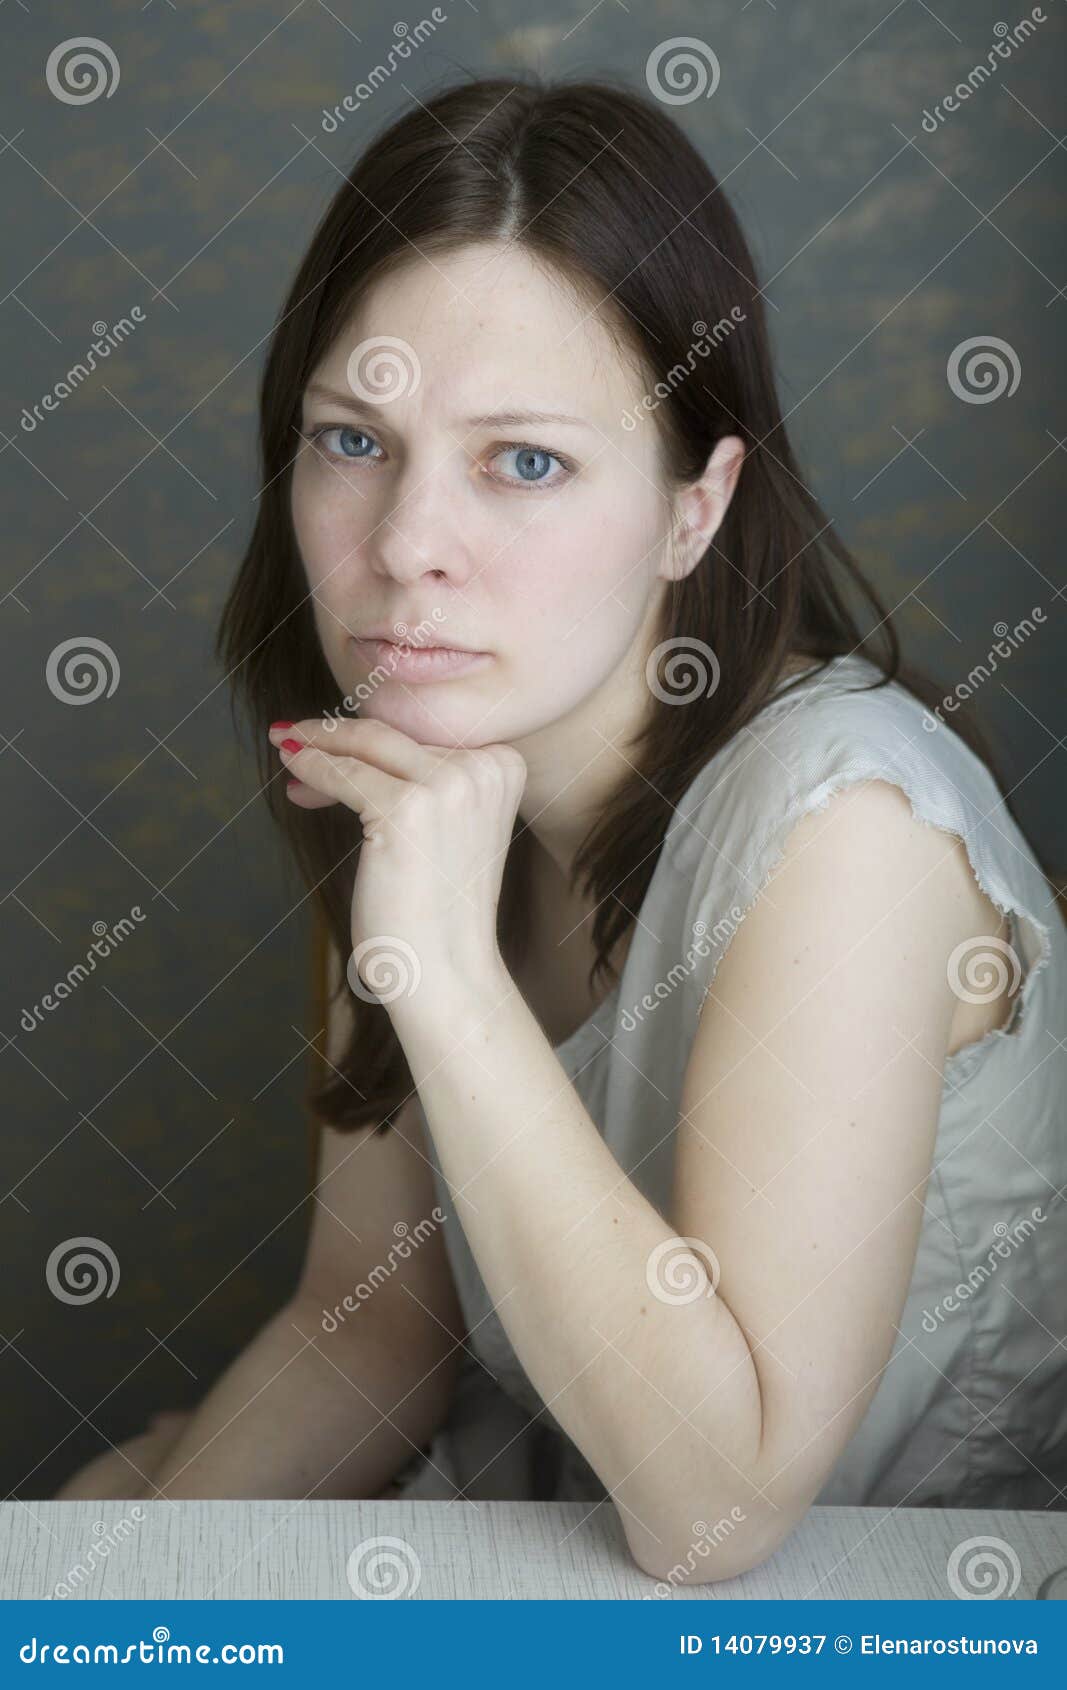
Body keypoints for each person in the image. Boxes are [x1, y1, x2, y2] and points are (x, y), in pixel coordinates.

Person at [56, 74, 1066, 1584]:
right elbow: (371, 1327)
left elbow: (714, 1512)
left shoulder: (848, 828)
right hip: (538, 1547)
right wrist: (112, 1598)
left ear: (692, 509)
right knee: (100, 1520)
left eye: (524, 461)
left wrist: (447, 974)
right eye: (352, 440)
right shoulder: (430, 773)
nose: (406, 546)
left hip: (869, 1606)